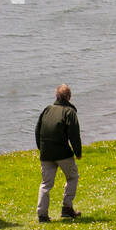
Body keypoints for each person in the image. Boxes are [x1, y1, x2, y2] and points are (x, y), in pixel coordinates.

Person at [35, 85, 82, 222]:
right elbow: (74, 135)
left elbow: (37, 131)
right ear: (68, 97)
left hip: (46, 153)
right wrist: (78, 152)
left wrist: (41, 148)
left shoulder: (47, 109)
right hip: (63, 153)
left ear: (56, 96)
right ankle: (67, 208)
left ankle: (42, 215)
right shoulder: (69, 112)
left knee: (46, 184)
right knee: (72, 177)